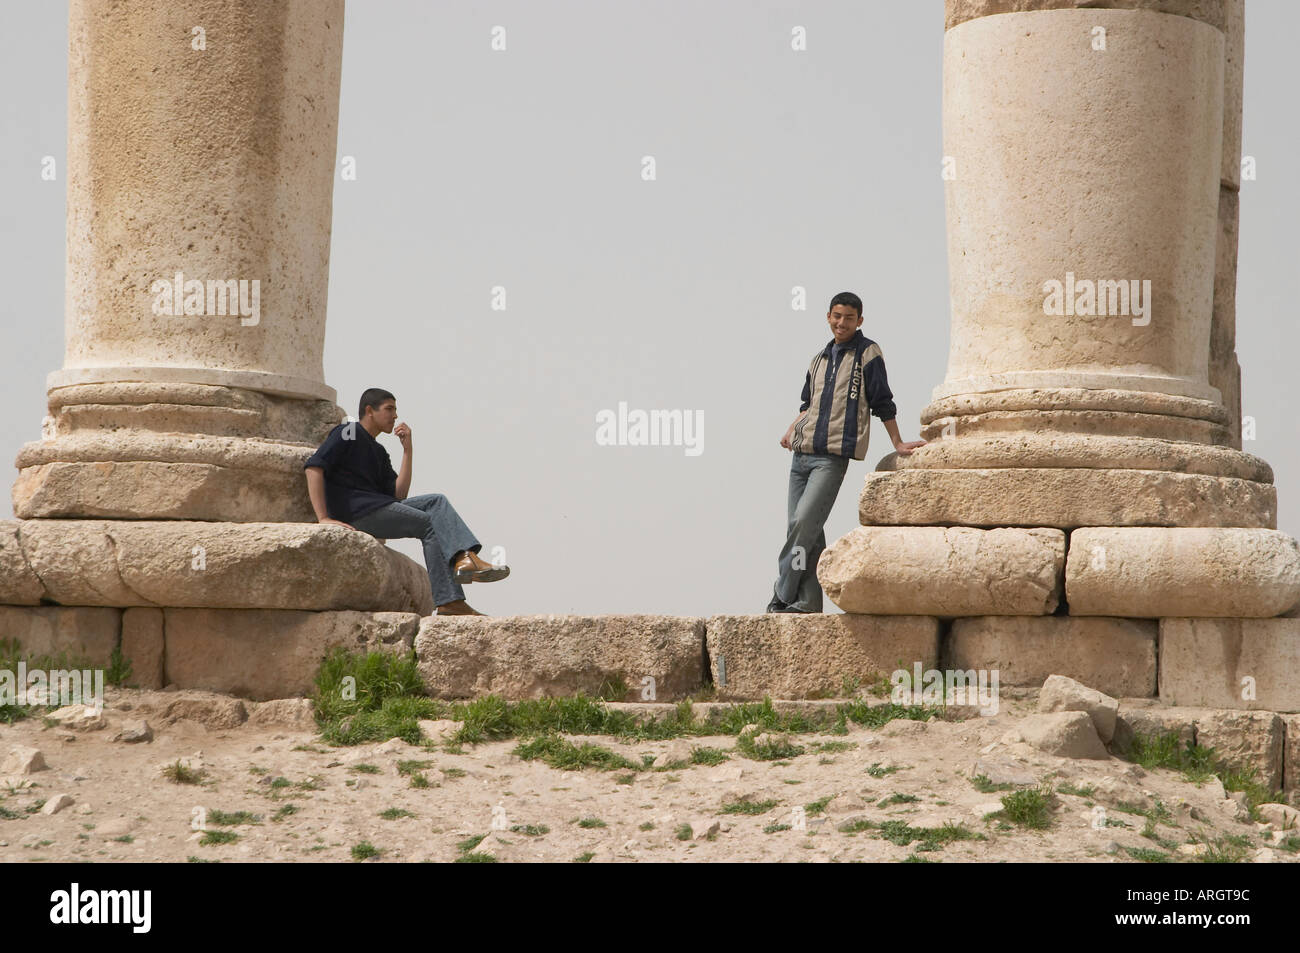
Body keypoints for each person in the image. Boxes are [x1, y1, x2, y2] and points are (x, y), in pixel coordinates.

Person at [767, 292, 925, 613]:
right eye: (837, 316)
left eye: (849, 318)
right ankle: (807, 603)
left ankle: (782, 593)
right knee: (805, 530)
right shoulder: (818, 359)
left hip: (830, 458)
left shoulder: (868, 353)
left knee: (802, 523)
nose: (842, 323)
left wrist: (897, 442)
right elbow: (808, 405)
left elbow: (882, 400)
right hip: (801, 455)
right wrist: (790, 430)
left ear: (859, 321)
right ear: (828, 317)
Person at [303, 387, 508, 616]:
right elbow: (314, 467)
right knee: (428, 524)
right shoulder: (348, 431)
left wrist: (408, 450)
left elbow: (398, 495)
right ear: (369, 411)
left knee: (436, 502)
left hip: (378, 507)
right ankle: (449, 600)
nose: (395, 415)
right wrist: (323, 518)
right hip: (358, 513)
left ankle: (465, 558)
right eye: (389, 409)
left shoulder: (378, 451)